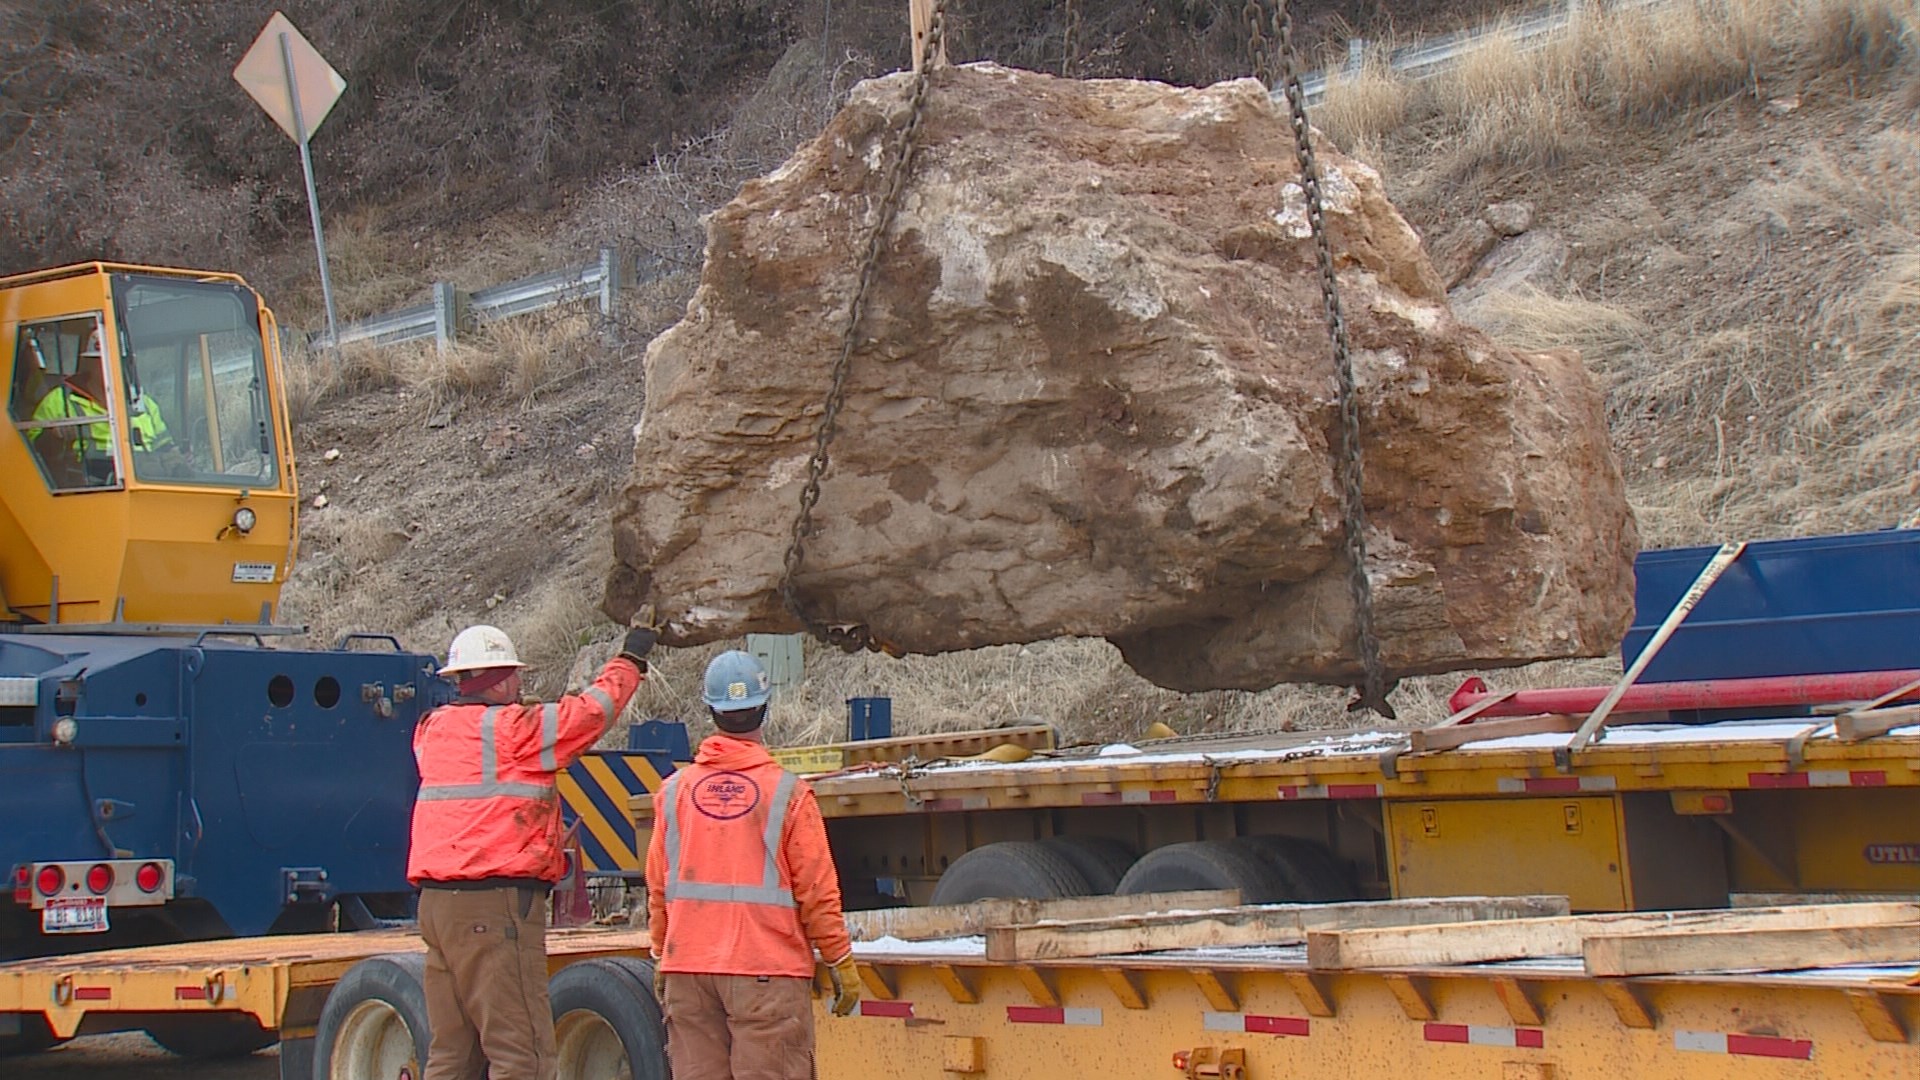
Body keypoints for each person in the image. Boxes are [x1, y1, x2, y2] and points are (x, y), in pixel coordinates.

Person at [408, 621, 657, 1080]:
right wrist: (631, 661)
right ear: (500, 678)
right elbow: (591, 713)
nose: (521, 685)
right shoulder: (514, 730)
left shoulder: (431, 730)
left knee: (452, 1056)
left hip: (437, 906)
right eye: (515, 677)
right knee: (522, 1055)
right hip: (494, 907)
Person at [646, 650, 861, 1080]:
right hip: (766, 973)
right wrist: (839, 960)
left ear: (710, 711)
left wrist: (659, 952)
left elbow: (658, 885)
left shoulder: (673, 793)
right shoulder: (788, 794)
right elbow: (817, 889)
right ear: (765, 707)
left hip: (689, 970)